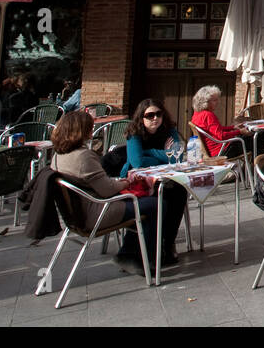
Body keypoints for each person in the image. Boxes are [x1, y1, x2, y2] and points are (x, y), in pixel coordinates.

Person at [52, 110, 183, 270]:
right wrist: (125, 183)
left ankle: (128, 253)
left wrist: (117, 183)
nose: (92, 131)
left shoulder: (58, 156)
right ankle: (146, 258)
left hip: (78, 212)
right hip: (97, 212)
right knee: (156, 204)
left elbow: (98, 184)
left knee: (144, 202)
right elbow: (107, 190)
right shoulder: (84, 157)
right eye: (89, 128)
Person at [122, 99, 184, 174]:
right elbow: (138, 163)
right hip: (135, 177)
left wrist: (148, 152)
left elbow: (177, 158)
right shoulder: (134, 132)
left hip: (164, 174)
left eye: (159, 114)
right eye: (150, 115)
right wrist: (165, 155)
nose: (155, 118)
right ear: (141, 119)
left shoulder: (169, 129)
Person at [189, 85, 247, 159]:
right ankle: (260, 167)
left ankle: (253, 166)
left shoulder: (197, 114)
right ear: (205, 102)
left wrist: (233, 127)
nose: (218, 102)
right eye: (214, 100)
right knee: (256, 139)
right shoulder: (208, 115)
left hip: (213, 151)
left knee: (251, 139)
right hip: (221, 151)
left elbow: (214, 129)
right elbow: (221, 136)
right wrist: (240, 132)